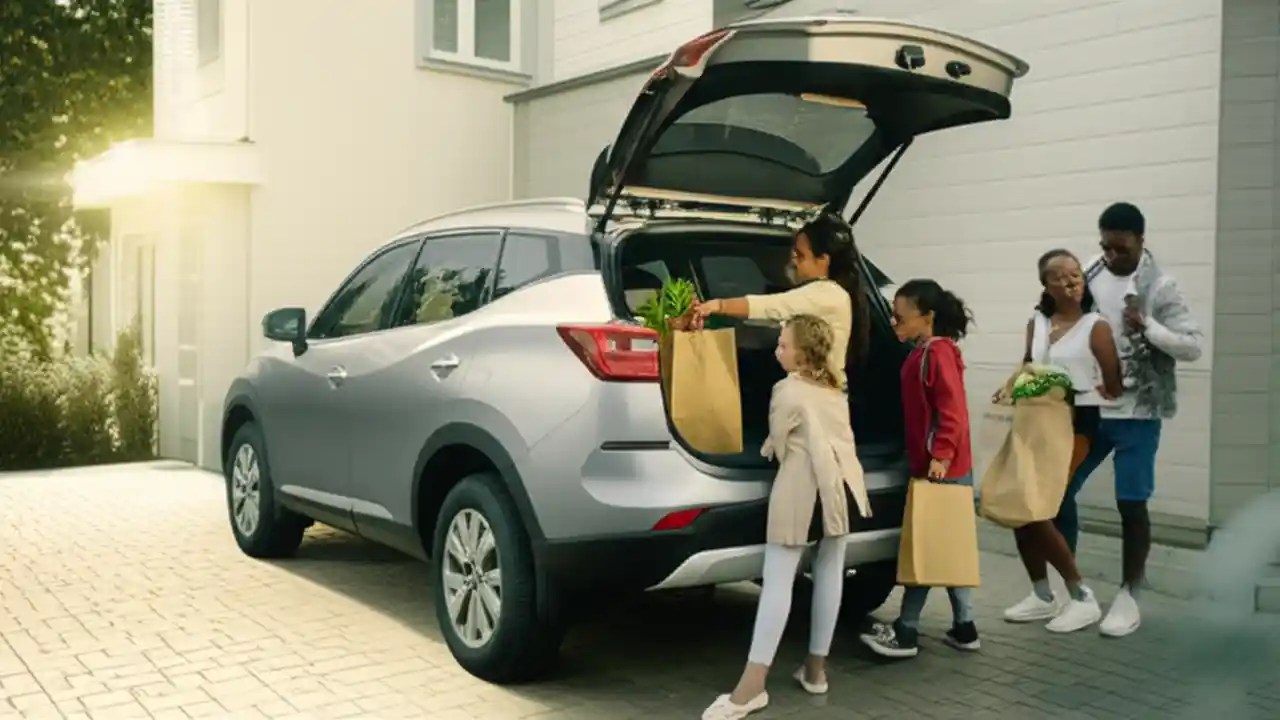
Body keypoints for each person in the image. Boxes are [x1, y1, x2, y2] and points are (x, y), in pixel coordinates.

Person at [702, 315, 870, 720]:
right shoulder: (835, 389)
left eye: (783, 344)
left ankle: (751, 687)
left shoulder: (786, 389)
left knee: (778, 583)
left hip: (802, 488)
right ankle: (816, 671)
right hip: (844, 489)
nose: (777, 350)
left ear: (802, 353)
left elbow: (779, 442)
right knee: (830, 573)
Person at [1054, 202, 1203, 637]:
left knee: (1131, 504)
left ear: (1140, 240)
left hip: (1138, 412)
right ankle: (1075, 594)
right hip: (1091, 407)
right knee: (1060, 491)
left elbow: (1193, 346)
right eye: (1106, 246)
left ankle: (1129, 595)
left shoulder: (1161, 286)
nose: (1112, 255)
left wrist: (1149, 328)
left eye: (1120, 248)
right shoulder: (1090, 272)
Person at [1002, 250, 1123, 633]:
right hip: (1039, 423)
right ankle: (1042, 595)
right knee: (1021, 507)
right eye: (1061, 276)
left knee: (1048, 504)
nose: (1071, 281)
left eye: (1076, 274)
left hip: (1084, 426)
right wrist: (1014, 386)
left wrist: (1073, 388)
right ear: (1046, 285)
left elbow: (1114, 384)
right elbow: (1027, 367)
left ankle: (1081, 596)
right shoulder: (1036, 322)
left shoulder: (1096, 326)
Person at [859, 279, 980, 658]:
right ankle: (965, 627)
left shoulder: (936, 354)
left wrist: (940, 458)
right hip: (945, 466)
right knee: (949, 550)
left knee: (925, 552)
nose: (894, 323)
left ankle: (906, 630)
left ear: (926, 317)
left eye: (900, 317)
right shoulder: (926, 350)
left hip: (941, 468)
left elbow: (953, 413)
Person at [691, 212, 869, 389]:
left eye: (800, 256)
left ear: (823, 260)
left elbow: (770, 307)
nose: (794, 260)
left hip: (818, 398)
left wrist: (718, 305)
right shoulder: (829, 293)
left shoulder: (826, 294)